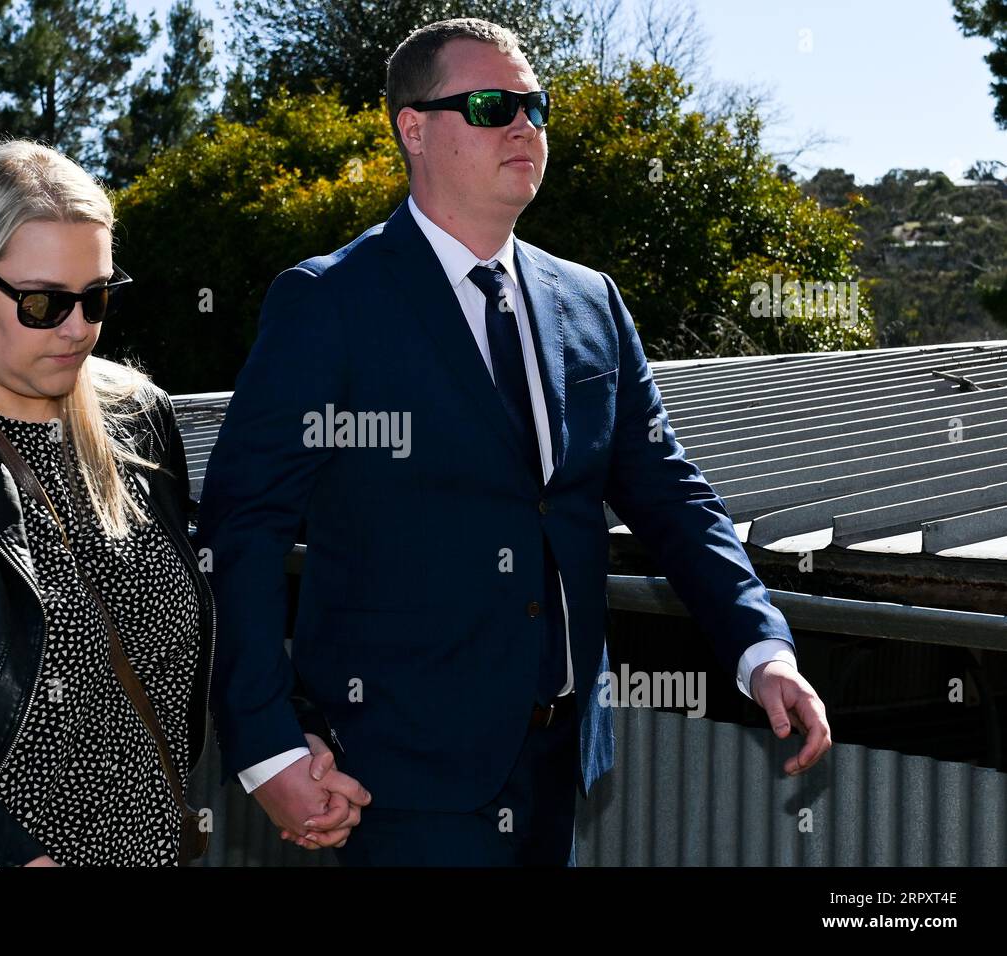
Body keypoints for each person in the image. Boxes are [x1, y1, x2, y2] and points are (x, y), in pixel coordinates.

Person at [196, 18, 832, 866]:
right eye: (493, 105)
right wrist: (269, 744)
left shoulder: (591, 301)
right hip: (397, 778)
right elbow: (244, 529)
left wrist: (762, 646)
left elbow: (670, 494)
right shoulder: (331, 302)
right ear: (412, 128)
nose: (524, 125)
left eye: (535, 105)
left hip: (558, 765)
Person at [0, 139, 363, 866]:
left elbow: (186, 620)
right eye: (42, 302)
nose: (77, 328)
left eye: (97, 297)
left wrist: (290, 740)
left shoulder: (136, 416)